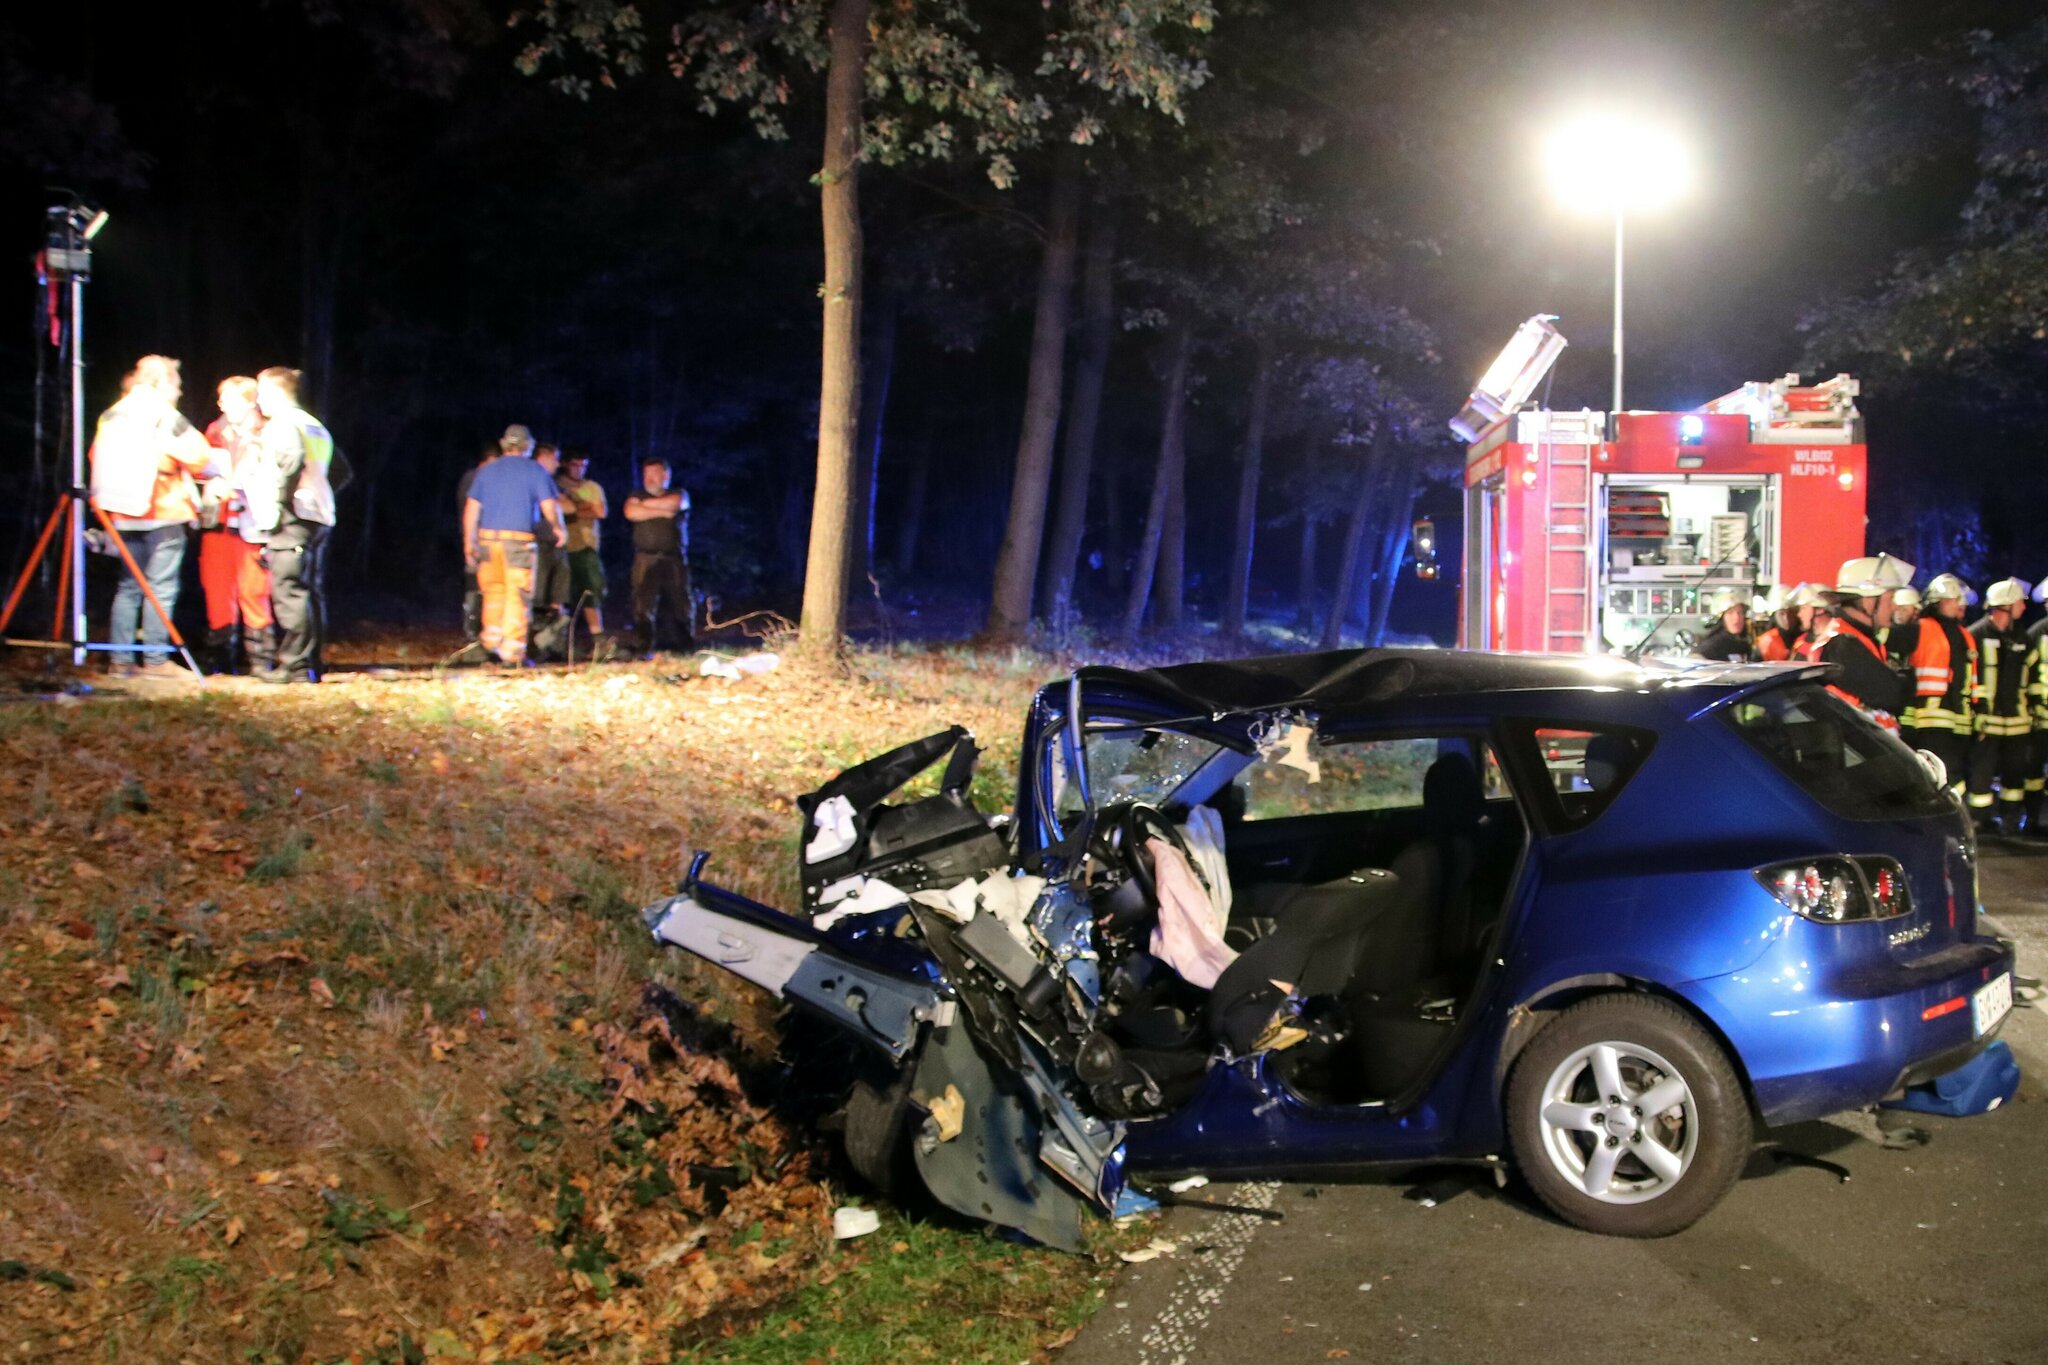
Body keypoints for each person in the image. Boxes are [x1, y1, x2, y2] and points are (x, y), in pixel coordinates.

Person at [86, 355, 217, 675]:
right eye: (175, 385)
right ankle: (156, 660)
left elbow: (95, 456)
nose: (179, 393)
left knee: (128, 587)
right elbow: (200, 457)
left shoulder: (112, 415)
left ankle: (120, 661)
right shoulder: (163, 415)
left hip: (121, 512)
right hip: (162, 509)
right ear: (160, 383)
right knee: (161, 588)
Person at [243, 367, 337, 684]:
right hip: (317, 514)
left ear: (275, 391)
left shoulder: (283, 424)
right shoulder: (314, 425)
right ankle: (311, 663)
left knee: (289, 592)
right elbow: (342, 470)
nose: (258, 400)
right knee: (310, 592)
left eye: (261, 392)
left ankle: (294, 667)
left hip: (292, 517)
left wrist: (278, 506)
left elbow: (288, 463)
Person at [462, 430, 565, 666]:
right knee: (517, 595)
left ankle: (490, 645)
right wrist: (559, 528)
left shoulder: (487, 470)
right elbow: (549, 505)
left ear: (503, 444)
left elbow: (471, 509)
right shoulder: (534, 470)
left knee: (493, 593)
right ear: (528, 447)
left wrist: (470, 542)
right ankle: (513, 653)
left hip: (488, 541)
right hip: (518, 542)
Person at [198, 376, 274, 674]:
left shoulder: (268, 431)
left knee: (253, 591)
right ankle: (219, 658)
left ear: (249, 402)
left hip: (253, 524)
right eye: (221, 400)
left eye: (229, 400)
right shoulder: (215, 432)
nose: (223, 406)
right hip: (218, 522)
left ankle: (260, 659)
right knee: (217, 591)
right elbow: (201, 468)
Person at [1898, 574, 1976, 799]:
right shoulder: (1921, 627)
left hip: (1959, 715)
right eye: (1952, 600)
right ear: (1938, 602)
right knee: (1940, 769)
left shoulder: (1964, 635)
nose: (1957, 605)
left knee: (1955, 770)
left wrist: (1976, 707)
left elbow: (1971, 675)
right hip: (1929, 713)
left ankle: (1955, 811)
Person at [1816, 554, 1913, 727]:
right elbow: (1893, 694)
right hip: (1850, 745)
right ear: (1869, 602)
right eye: (1890, 598)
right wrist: (1907, 678)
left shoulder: (1854, 637)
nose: (1895, 606)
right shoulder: (1843, 644)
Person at [1967, 578, 2032, 835]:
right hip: (1987, 720)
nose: (2024, 608)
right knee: (1982, 773)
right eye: (2019, 603)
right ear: (2005, 605)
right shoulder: (1976, 635)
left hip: (2017, 721)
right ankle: (1978, 820)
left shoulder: (2022, 637)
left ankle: (2010, 819)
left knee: (2014, 775)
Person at [624, 457, 693, 658]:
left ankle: (684, 645)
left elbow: (676, 505)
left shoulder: (679, 493)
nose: (650, 479)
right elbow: (631, 511)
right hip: (645, 558)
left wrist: (645, 507)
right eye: (646, 474)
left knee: (681, 602)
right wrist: (662, 509)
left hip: (674, 558)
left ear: (666, 475)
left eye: (654, 474)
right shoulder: (636, 495)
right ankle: (644, 646)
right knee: (642, 604)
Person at [454, 439, 501, 655]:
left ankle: (481, 634)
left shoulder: (475, 478)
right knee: (475, 588)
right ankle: (472, 634)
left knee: (484, 588)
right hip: (479, 540)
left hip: (484, 540)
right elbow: (470, 511)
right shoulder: (475, 478)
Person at [558, 449, 609, 647]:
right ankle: (563, 639)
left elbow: (600, 511)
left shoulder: (590, 487)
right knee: (564, 594)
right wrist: (583, 508)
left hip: (587, 546)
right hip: (563, 547)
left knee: (593, 589)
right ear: (565, 464)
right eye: (575, 465)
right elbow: (559, 508)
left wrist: (574, 508)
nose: (579, 470)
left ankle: (598, 636)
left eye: (583, 466)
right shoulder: (557, 484)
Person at [529, 443, 572, 660]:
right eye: (554, 458)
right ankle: (535, 648)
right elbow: (559, 506)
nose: (558, 463)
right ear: (543, 457)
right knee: (538, 598)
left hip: (557, 547)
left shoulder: (551, 483)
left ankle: (556, 647)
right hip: (539, 545)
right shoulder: (531, 480)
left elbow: (568, 507)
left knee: (558, 598)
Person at [1691, 588, 1755, 662]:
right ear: (1721, 618)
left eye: (1740, 613)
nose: (1737, 618)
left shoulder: (1743, 645)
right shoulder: (1711, 646)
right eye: (1730, 613)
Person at [1755, 586, 1799, 662]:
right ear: (1774, 615)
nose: (1786, 618)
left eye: (1790, 613)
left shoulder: (1806, 638)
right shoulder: (1766, 642)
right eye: (1781, 613)